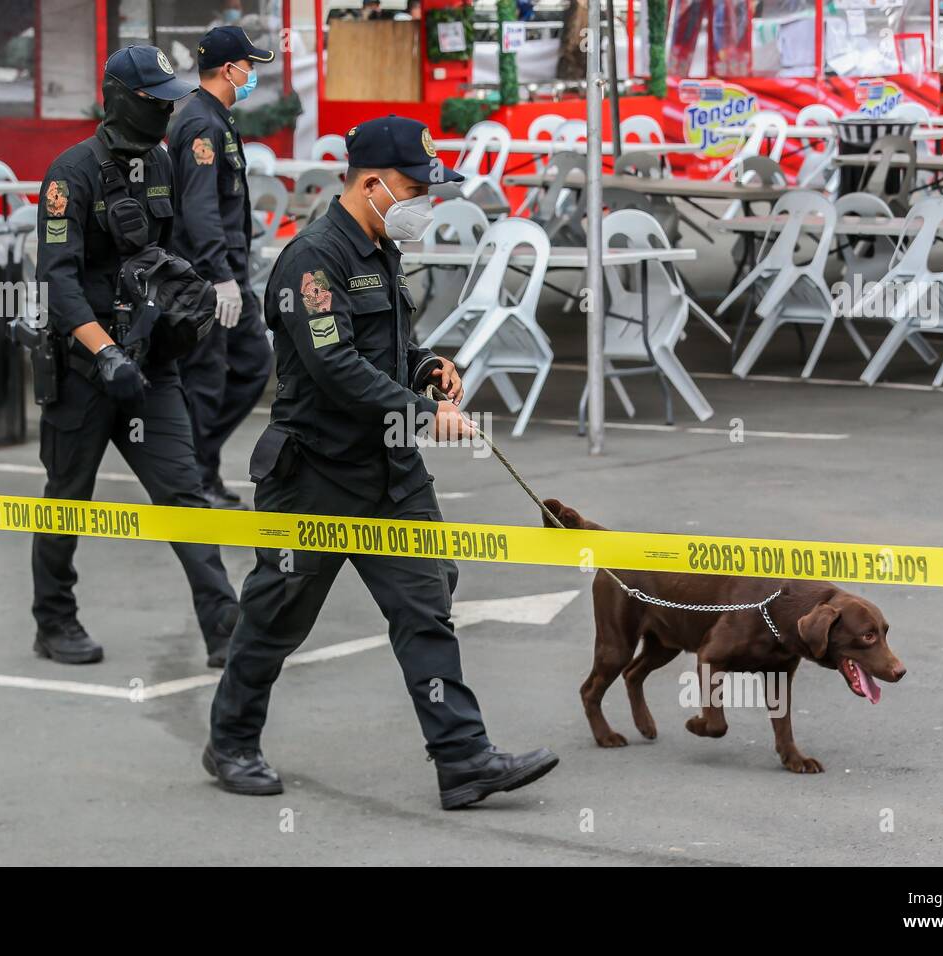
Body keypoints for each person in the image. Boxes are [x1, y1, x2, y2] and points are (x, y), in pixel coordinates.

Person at [202, 116, 559, 810]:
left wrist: (428, 367)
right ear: (370, 183)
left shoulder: (377, 248)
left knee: (426, 606)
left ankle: (462, 761)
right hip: (315, 476)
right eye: (414, 186)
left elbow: (390, 346)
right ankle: (232, 741)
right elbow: (335, 368)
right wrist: (427, 416)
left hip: (390, 474)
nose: (425, 198)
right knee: (275, 618)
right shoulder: (312, 260)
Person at [32, 46, 240, 668]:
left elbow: (167, 258)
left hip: (150, 366)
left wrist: (189, 316)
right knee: (68, 497)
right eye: (156, 99)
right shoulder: (70, 174)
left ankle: (226, 630)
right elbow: (57, 280)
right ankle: (54, 620)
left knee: (187, 498)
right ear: (122, 97)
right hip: (85, 370)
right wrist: (103, 354)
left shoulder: (161, 163)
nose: (168, 109)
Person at [169, 26, 274, 509]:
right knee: (206, 379)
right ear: (230, 69)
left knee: (253, 364)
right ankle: (194, 480)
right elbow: (200, 208)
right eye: (249, 67)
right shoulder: (201, 124)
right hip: (207, 276)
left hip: (224, 271)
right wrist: (219, 277)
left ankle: (197, 461)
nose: (251, 75)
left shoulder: (214, 117)